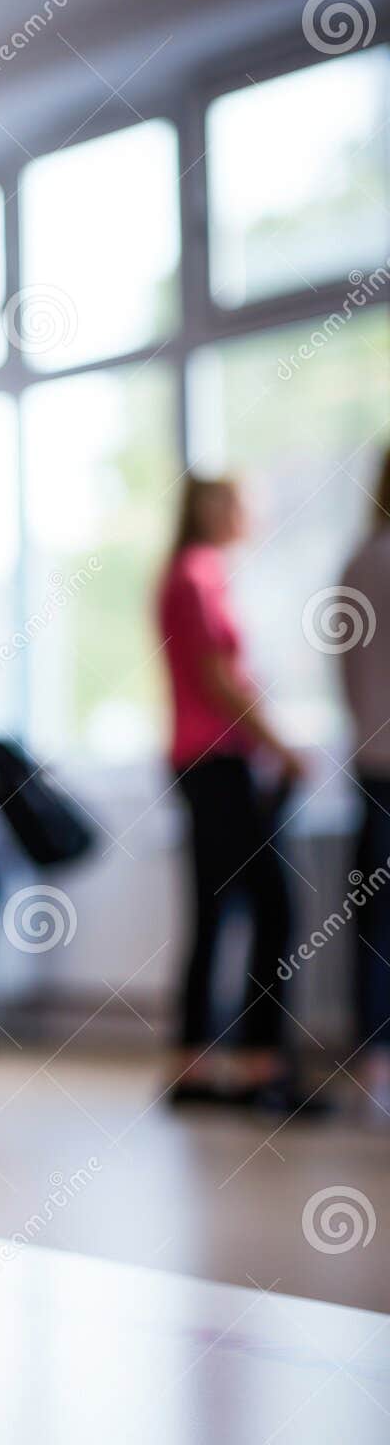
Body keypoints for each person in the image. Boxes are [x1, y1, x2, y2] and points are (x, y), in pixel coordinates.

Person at [157, 476, 322, 1114]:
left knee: (212, 911)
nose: (249, 513)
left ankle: (194, 1067)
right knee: (276, 909)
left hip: (199, 763)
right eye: (238, 502)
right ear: (211, 508)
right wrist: (281, 747)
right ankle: (259, 1067)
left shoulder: (187, 572)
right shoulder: (198, 575)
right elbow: (219, 679)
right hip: (217, 763)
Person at [339, 446, 390, 1118]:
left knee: (375, 918)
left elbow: (347, 674)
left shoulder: (357, 559)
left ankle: (373, 1062)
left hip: (370, 760)